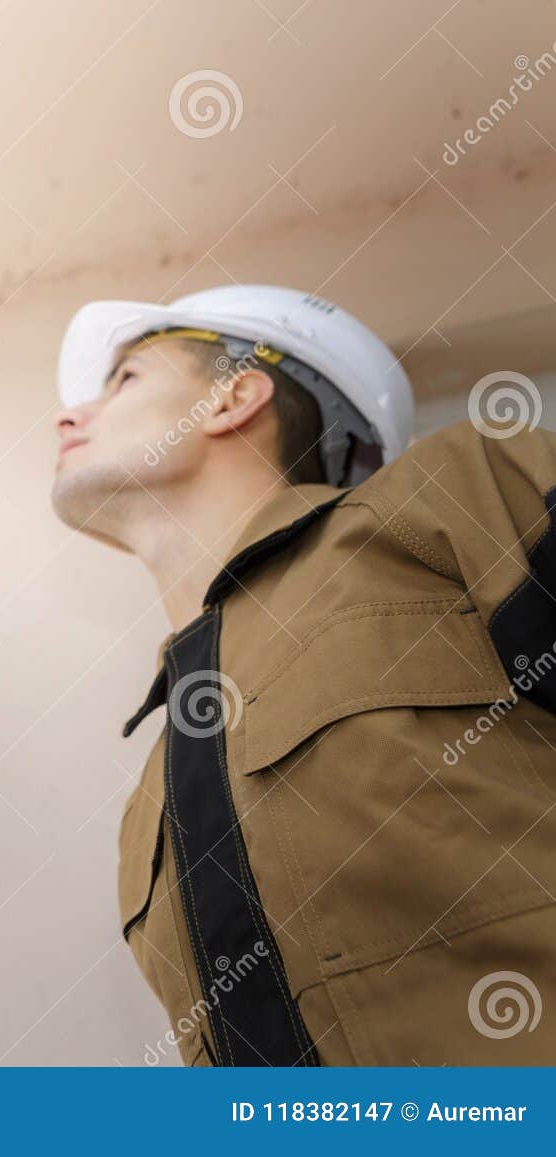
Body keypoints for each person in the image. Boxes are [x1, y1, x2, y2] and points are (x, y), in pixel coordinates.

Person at [50, 284, 556, 1065]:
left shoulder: (450, 497)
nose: (68, 416)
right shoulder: (150, 798)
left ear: (233, 397)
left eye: (125, 380)